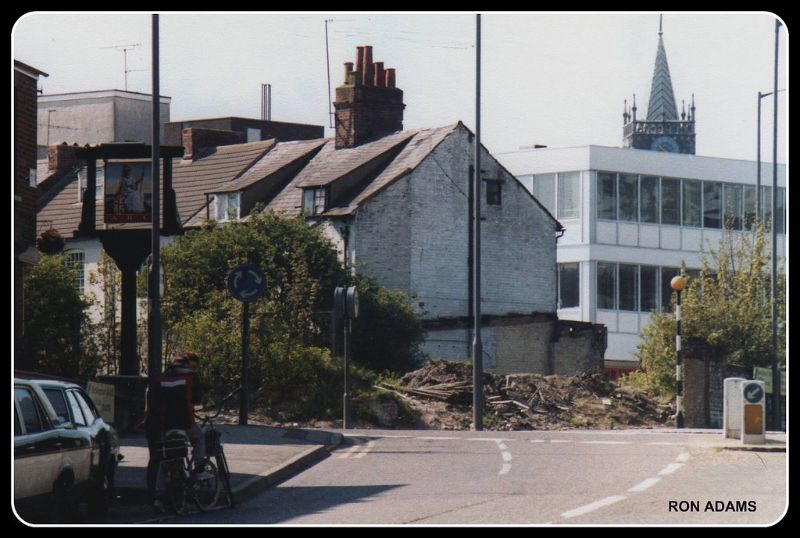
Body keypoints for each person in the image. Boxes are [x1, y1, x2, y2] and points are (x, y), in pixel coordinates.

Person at [147, 351, 207, 511]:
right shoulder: (191, 377)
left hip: (167, 424)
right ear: (186, 365)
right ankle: (199, 470)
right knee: (200, 439)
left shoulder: (161, 378)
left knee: (165, 458)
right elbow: (196, 399)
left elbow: (155, 402)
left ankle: (159, 497)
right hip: (186, 422)